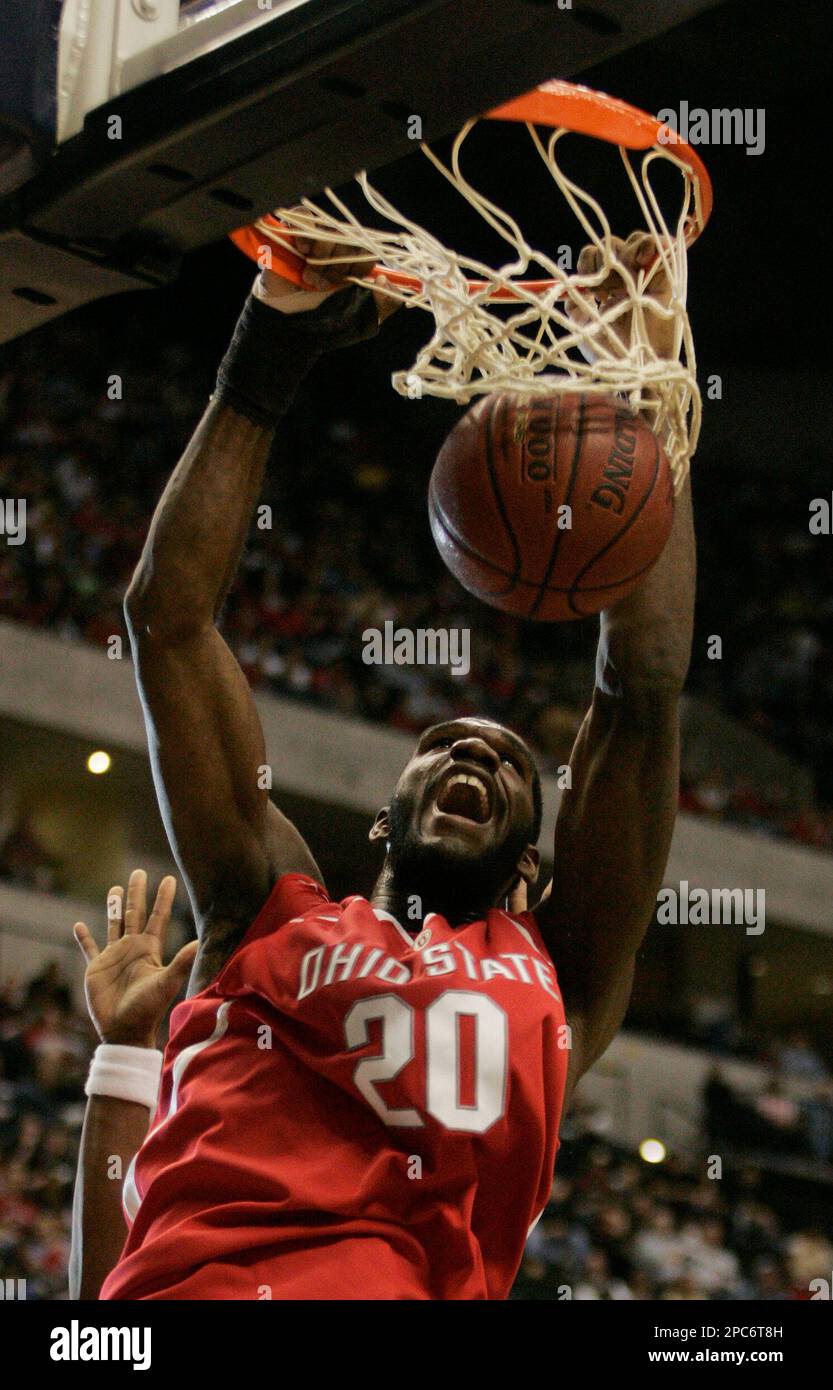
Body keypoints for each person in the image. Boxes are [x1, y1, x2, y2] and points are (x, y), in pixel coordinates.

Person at [70, 226, 695, 1300]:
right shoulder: (266, 908)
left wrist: (630, 406)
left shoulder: (564, 974)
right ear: (379, 822)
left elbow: (636, 698)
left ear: (532, 876)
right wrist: (269, 345)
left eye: (502, 760)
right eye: (439, 747)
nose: (466, 750)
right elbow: (166, 617)